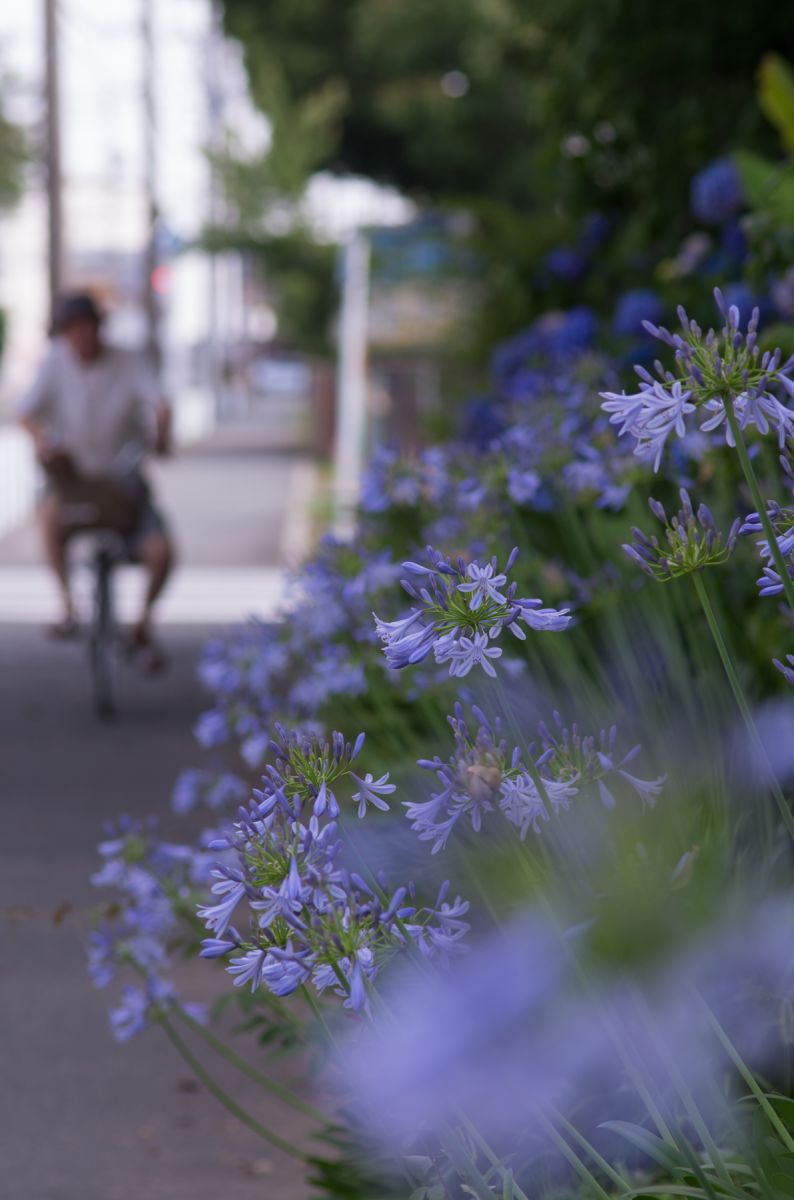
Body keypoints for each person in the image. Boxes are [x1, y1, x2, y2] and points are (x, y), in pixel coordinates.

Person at [16, 291, 175, 669]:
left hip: (122, 475)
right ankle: (67, 605)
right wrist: (42, 442)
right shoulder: (55, 361)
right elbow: (25, 411)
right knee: (51, 518)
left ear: (100, 328)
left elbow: (159, 402)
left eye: (88, 327)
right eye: (74, 330)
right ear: (65, 333)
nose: (82, 337)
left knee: (160, 552)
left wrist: (161, 436)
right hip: (75, 478)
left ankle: (141, 624)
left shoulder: (127, 361)